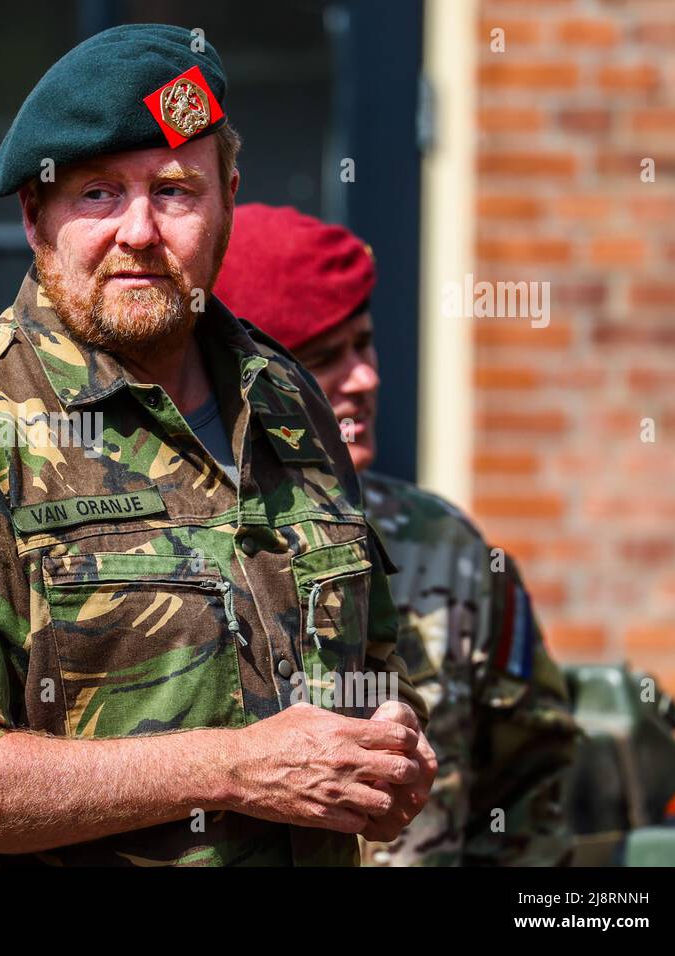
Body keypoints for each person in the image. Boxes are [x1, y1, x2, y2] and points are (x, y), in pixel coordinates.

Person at [0, 23, 436, 867]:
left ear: (230, 196)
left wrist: (385, 740)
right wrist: (234, 767)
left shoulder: (289, 404)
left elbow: (367, 656)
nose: (140, 232)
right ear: (36, 218)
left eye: (176, 191)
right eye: (97, 196)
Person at [214, 203, 580, 865]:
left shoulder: (445, 546)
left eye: (365, 343)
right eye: (326, 357)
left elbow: (533, 774)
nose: (365, 379)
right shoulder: (162, 552)